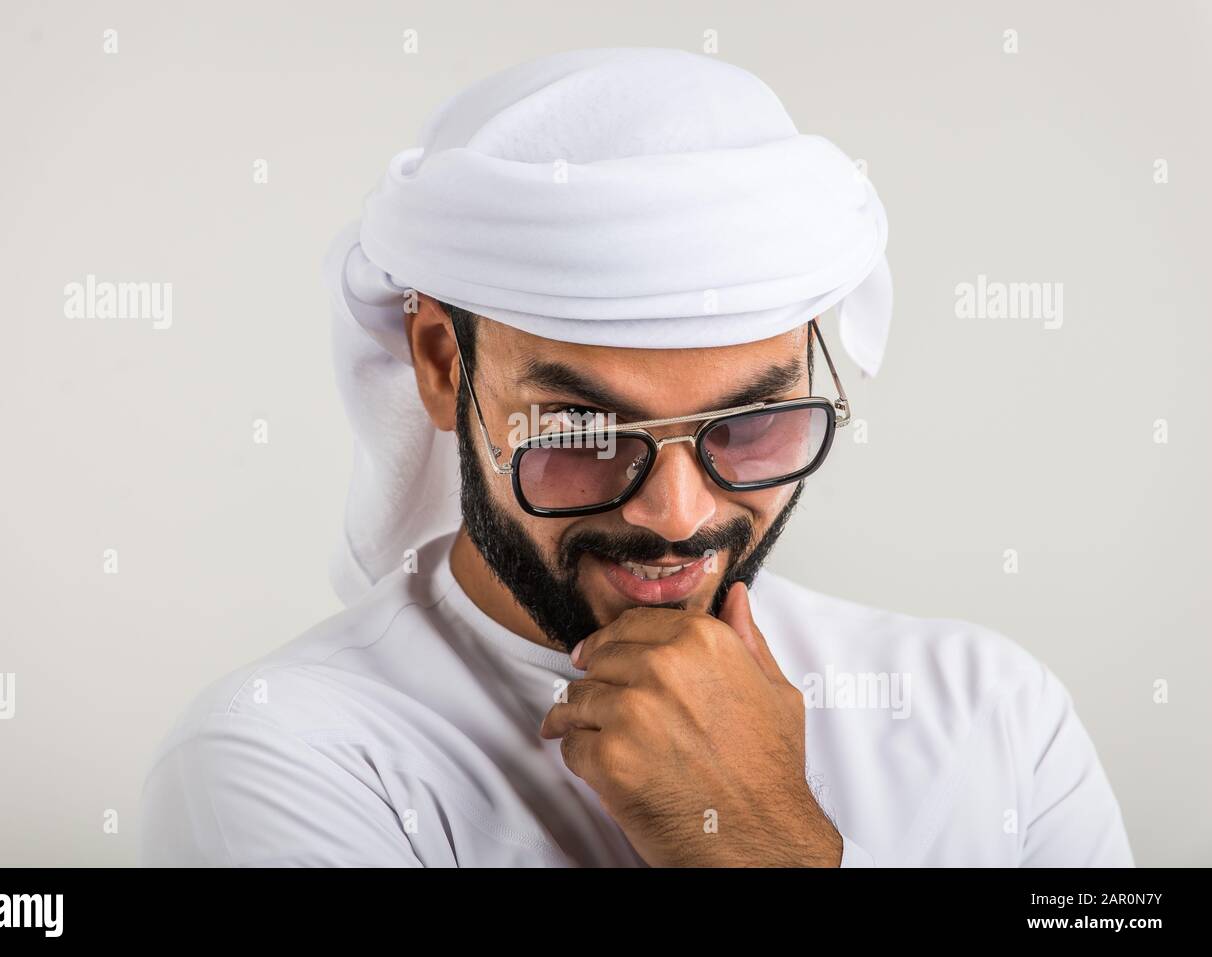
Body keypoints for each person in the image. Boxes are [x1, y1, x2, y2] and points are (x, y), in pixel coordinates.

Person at [140, 48, 1133, 867]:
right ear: (444, 367)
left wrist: (766, 844)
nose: (677, 513)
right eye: (582, 434)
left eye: (749, 428)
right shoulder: (285, 756)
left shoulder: (991, 710)